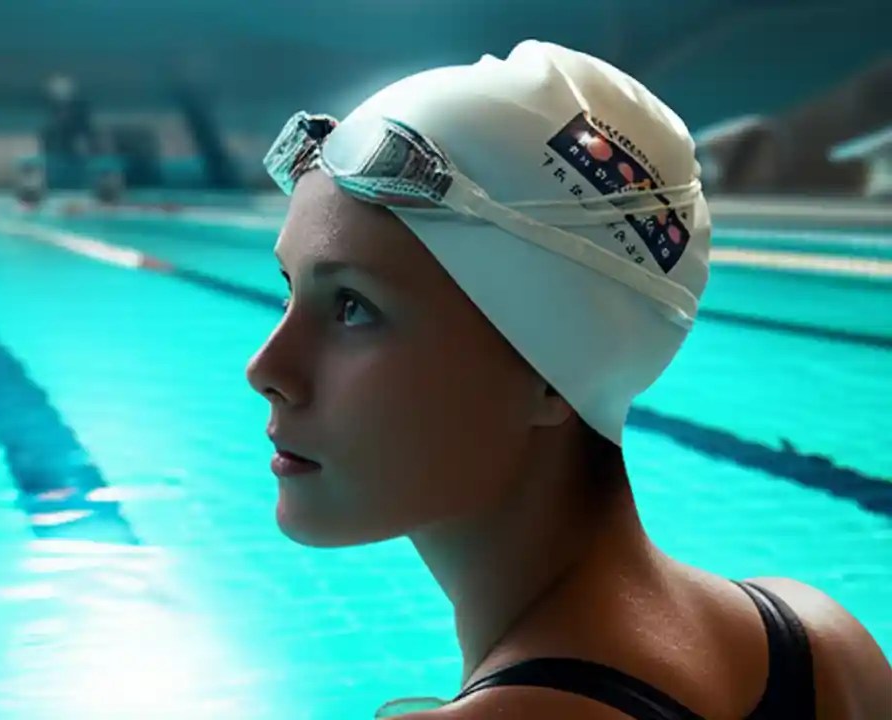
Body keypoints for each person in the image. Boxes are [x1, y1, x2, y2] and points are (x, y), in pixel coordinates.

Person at [245, 40, 891, 719]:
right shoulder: (824, 646)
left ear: (553, 370)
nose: (267, 369)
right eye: (289, 292)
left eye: (354, 308)